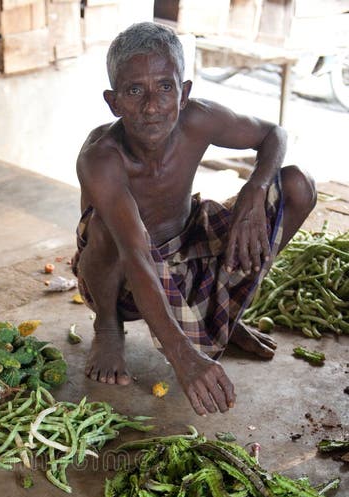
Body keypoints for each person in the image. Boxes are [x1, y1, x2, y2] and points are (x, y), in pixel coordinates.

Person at [72, 21, 317, 416]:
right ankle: (108, 327)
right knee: (104, 229)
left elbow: (275, 134)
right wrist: (183, 357)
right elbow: (137, 255)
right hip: (122, 277)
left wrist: (255, 191)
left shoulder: (198, 119)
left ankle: (224, 319)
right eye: (135, 91)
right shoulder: (100, 158)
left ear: (184, 93)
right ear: (113, 102)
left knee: (297, 185)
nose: (152, 106)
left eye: (165, 87)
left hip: (189, 244)